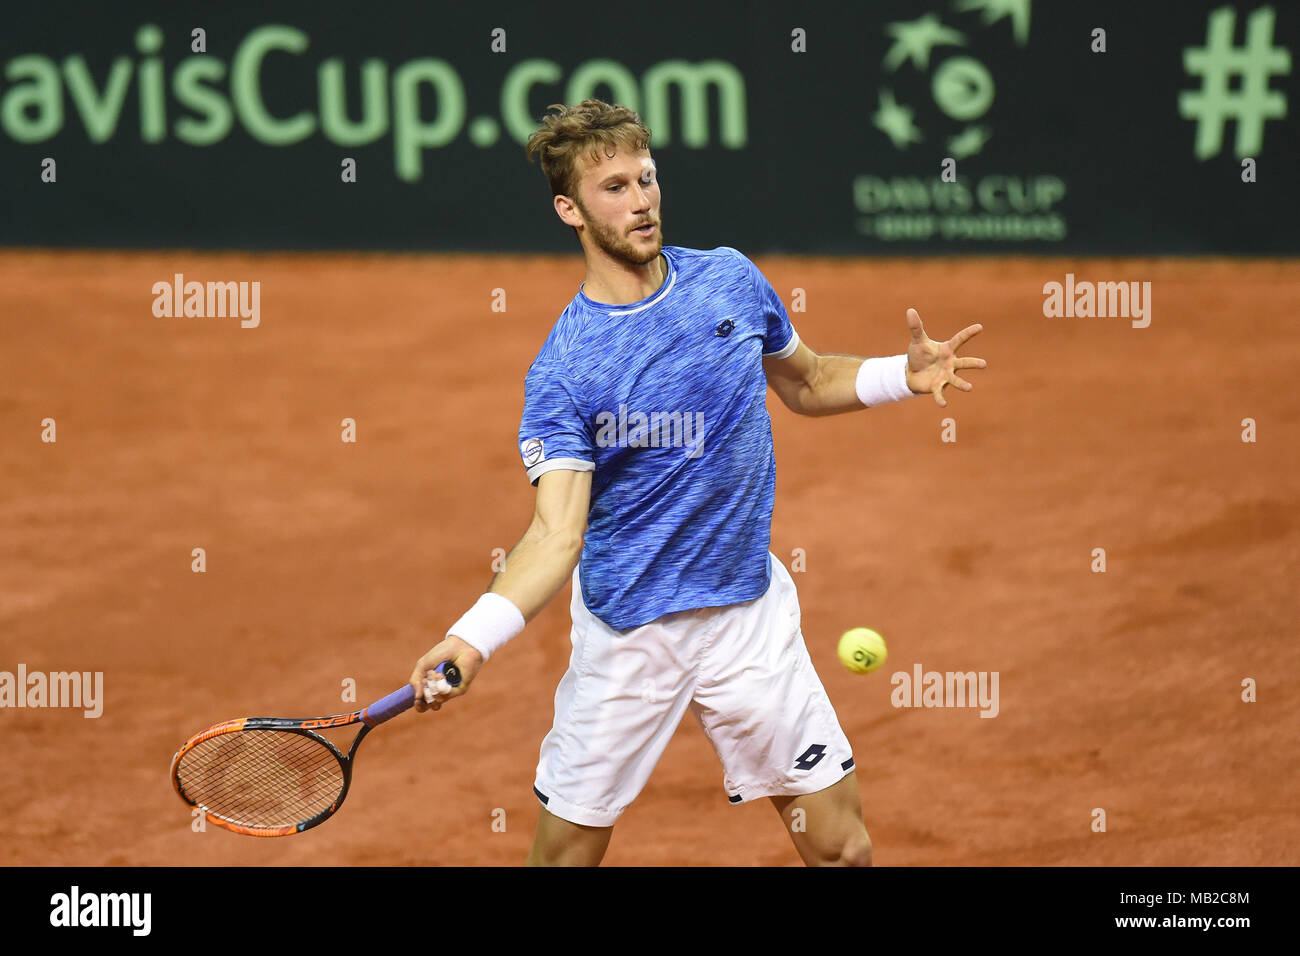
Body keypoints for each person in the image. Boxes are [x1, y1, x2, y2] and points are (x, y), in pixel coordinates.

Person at [409, 99, 985, 866]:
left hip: (747, 614)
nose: (640, 200)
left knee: (843, 851)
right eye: (613, 187)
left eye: (645, 179)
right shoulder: (564, 372)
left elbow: (807, 382)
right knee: (563, 861)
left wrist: (898, 376)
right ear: (568, 209)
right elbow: (557, 533)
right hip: (630, 636)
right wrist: (473, 638)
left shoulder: (729, 281)